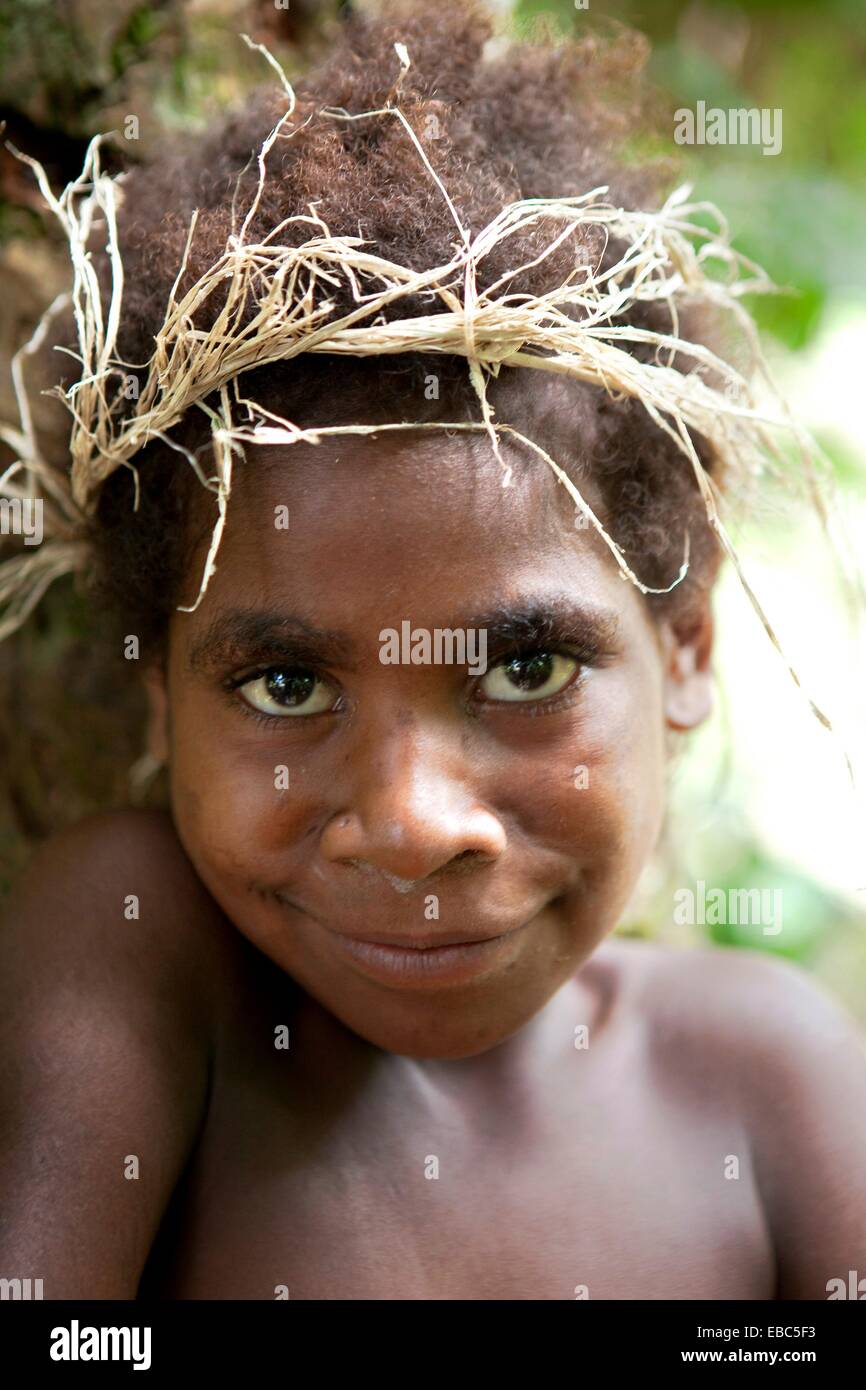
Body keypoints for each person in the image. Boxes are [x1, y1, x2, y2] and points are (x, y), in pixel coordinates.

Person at [1, 0, 864, 1300]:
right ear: (160, 698)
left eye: (525, 670)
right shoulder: (142, 959)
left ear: (683, 644)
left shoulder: (758, 1074)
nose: (412, 824)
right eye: (286, 684)